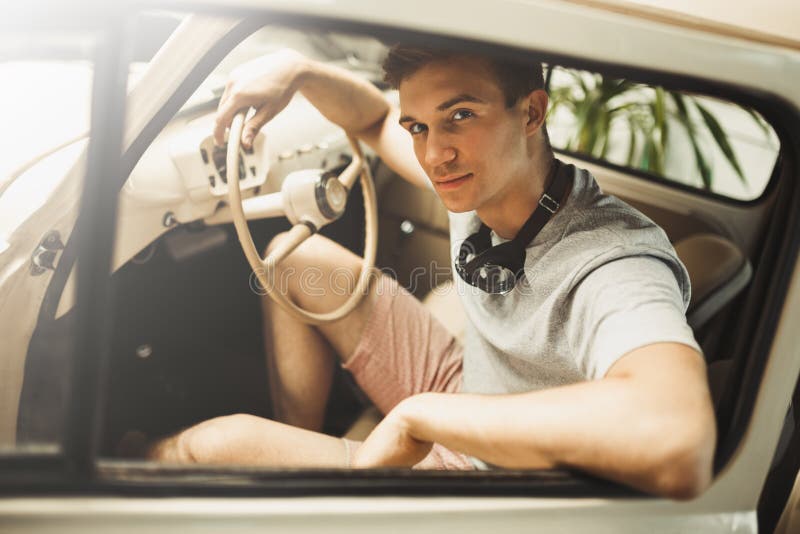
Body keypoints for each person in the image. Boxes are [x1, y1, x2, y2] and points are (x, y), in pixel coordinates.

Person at [146, 46, 716, 499]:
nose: (433, 154)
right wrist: (299, 72)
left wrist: (422, 416)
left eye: (460, 116)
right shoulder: (485, 184)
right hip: (467, 383)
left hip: (491, 472)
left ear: (533, 112)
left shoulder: (612, 260)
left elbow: (675, 438)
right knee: (293, 259)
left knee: (204, 446)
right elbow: (372, 117)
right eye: (419, 127)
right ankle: (308, 468)